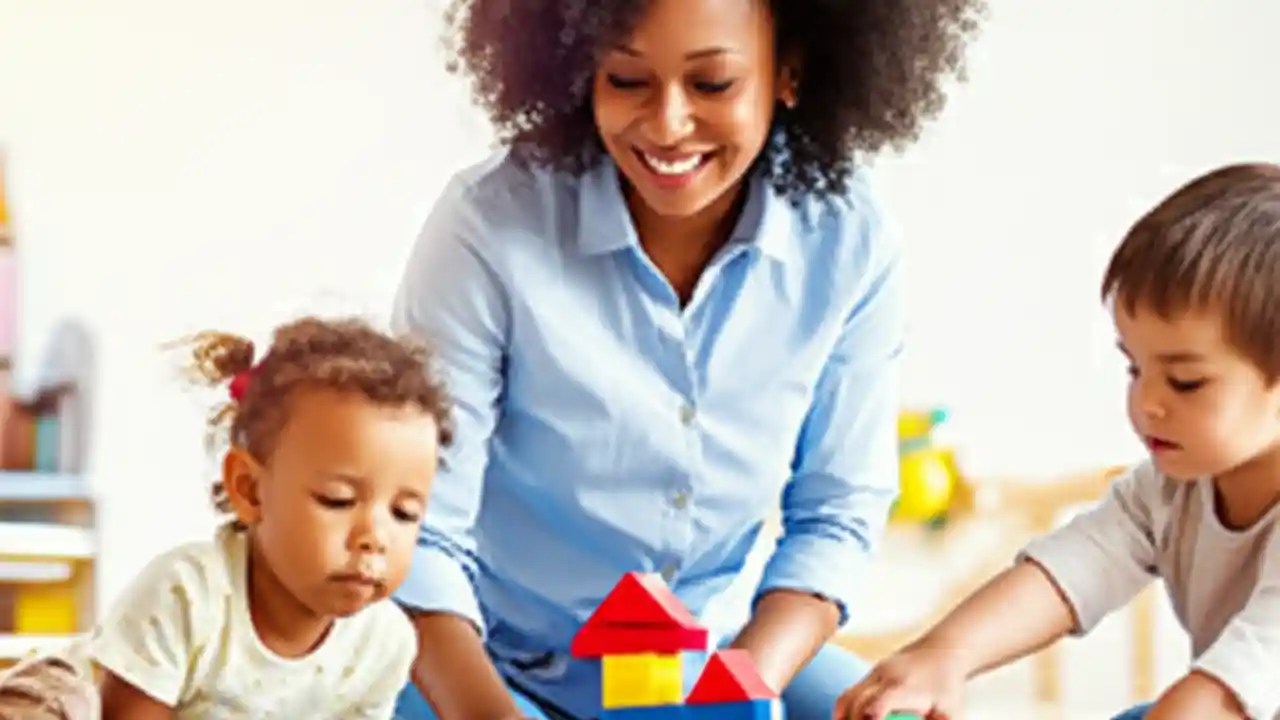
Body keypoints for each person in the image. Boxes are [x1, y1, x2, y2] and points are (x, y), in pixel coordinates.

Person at [389, 0, 984, 717]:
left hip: (721, 654)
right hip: (492, 661)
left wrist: (738, 687)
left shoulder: (848, 239)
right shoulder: (489, 226)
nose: (668, 124)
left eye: (712, 85)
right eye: (627, 80)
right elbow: (420, 528)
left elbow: (836, 514)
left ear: (787, 72)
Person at [835, 163, 1280, 720]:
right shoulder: (1171, 487)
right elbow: (1074, 566)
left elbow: (1224, 695)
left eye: (1185, 382)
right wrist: (947, 653)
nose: (1147, 404)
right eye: (1133, 369)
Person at [88, 316, 453, 719]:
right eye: (338, 500)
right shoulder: (184, 598)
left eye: (405, 513)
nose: (374, 537)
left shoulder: (384, 642)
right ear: (249, 489)